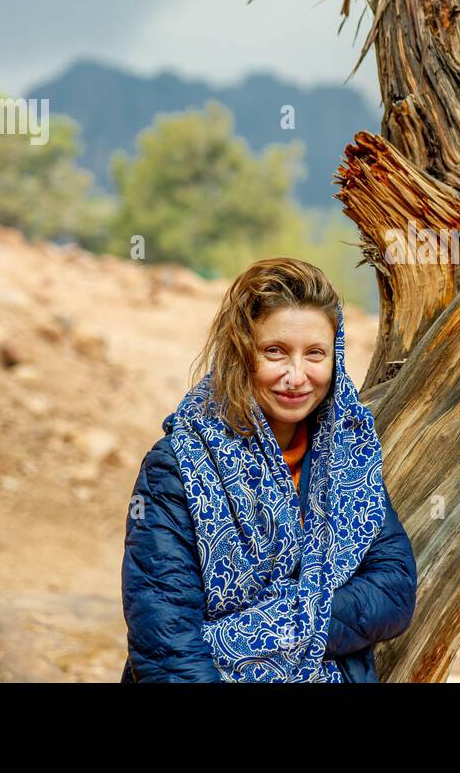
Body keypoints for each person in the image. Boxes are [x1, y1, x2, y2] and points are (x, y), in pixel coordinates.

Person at [120, 257, 417, 682]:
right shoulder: (178, 464)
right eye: (275, 351)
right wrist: (312, 612)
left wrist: (250, 632)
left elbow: (392, 591)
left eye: (315, 354)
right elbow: (165, 639)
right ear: (241, 353)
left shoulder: (347, 459)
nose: (296, 376)